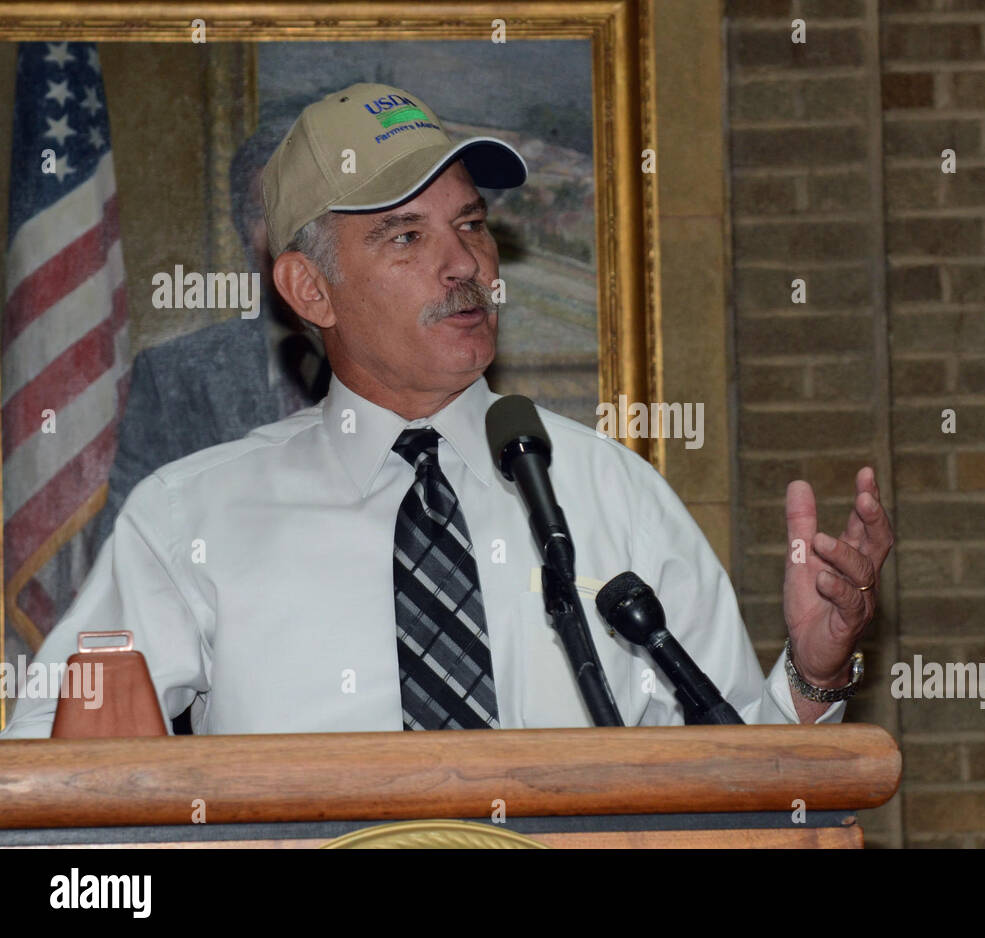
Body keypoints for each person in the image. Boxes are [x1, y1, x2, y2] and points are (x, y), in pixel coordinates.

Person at [0, 83, 893, 737]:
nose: (462, 263)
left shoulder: (614, 491)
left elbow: (746, 785)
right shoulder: (190, 518)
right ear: (312, 287)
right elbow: (46, 772)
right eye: (405, 237)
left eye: (469, 225)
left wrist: (813, 679)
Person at [90, 103, 329, 562]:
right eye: (264, 212)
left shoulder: (402, 368)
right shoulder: (173, 376)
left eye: (304, 212)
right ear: (242, 231)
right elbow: (124, 555)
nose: (284, 236)